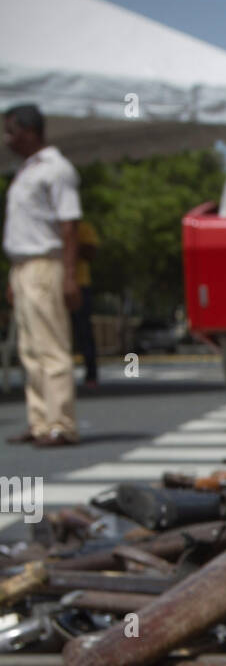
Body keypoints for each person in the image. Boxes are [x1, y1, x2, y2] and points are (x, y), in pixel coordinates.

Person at [2, 103, 81, 446]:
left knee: (51, 347)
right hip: (23, 267)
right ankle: (40, 420)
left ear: (30, 131)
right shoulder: (25, 171)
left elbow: (69, 224)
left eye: (11, 131)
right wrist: (12, 277)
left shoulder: (56, 169)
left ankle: (61, 423)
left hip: (45, 264)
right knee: (29, 350)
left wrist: (69, 274)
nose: (7, 139)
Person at [72, 218, 99, 389]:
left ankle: (91, 374)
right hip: (51, 286)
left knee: (84, 331)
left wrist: (69, 239)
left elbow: (91, 253)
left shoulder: (83, 227)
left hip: (80, 285)